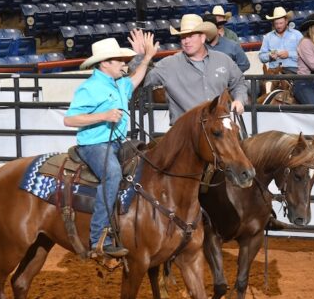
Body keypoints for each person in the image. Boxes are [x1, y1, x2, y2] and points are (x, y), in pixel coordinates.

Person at [64, 35, 157, 258]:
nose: (124, 64)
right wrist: (103, 116)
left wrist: (147, 58)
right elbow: (70, 119)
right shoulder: (90, 87)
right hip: (94, 144)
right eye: (119, 61)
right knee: (113, 174)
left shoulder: (118, 84)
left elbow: (135, 80)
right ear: (105, 63)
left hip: (116, 143)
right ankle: (98, 238)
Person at [130, 14, 247, 125]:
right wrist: (140, 58)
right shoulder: (169, 65)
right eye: (183, 37)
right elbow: (141, 81)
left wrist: (239, 99)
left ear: (202, 38)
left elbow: (239, 82)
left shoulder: (223, 60)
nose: (186, 41)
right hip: (186, 133)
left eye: (190, 36)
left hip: (219, 130)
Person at [258, 6, 303, 73]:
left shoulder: (297, 35)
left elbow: (305, 54)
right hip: (274, 70)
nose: (279, 26)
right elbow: (261, 57)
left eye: (281, 23)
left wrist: (289, 54)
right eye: (276, 24)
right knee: (261, 83)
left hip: (293, 69)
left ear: (286, 21)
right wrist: (270, 56)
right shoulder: (268, 37)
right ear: (273, 24)